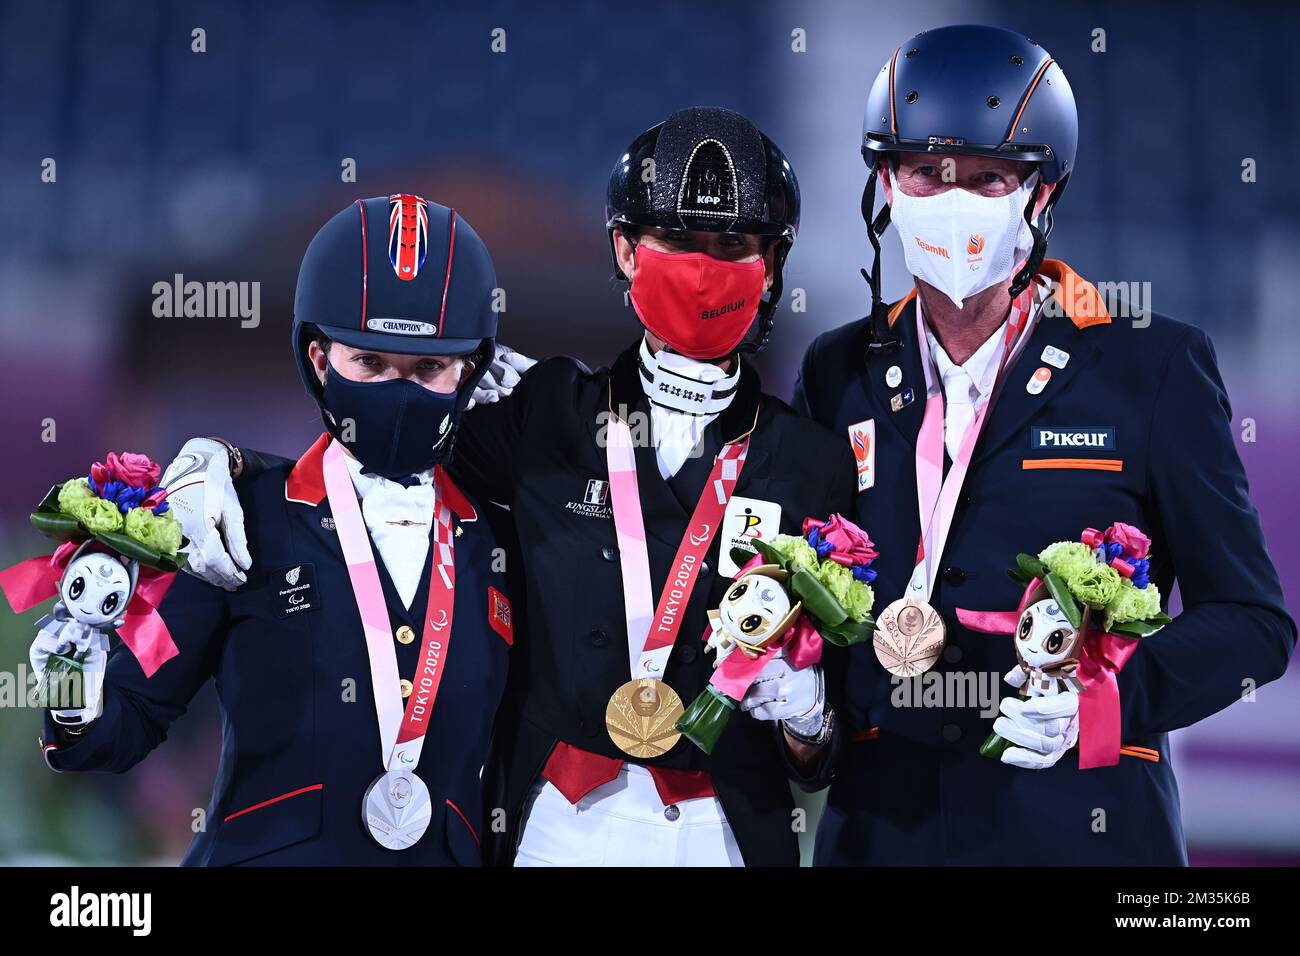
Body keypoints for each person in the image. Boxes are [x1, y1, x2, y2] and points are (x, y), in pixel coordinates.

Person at [175, 107, 858, 867]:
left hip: (728, 834)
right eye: (677, 239)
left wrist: (810, 718)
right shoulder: (545, 408)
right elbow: (378, 459)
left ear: (772, 264)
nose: (703, 265)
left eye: (731, 244)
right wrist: (231, 463)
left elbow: (823, 761)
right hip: (547, 827)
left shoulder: (815, 464)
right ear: (627, 249)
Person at [793, 24, 1296, 865]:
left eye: (989, 177)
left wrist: (1104, 698)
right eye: (926, 171)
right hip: (883, 835)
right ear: (885, 182)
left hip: (1080, 828)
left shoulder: (1149, 362)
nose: (953, 198)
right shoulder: (837, 369)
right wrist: (804, 712)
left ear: (1041, 192)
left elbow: (1253, 625)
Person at [35, 195, 517, 865]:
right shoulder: (238, 518)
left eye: (428, 369)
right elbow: (111, 732)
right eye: (370, 364)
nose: (398, 391)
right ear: (319, 361)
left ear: (471, 371)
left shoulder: (505, 545)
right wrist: (67, 690)